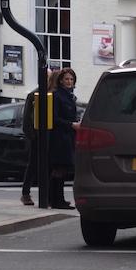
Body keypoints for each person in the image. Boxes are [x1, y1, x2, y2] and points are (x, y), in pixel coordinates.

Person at [47, 66, 80, 210]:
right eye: (66, 79)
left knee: (63, 170)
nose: (69, 81)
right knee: (58, 169)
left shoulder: (69, 96)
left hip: (68, 137)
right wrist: (71, 124)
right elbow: (54, 119)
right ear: (60, 80)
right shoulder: (57, 96)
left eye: (71, 79)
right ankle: (56, 200)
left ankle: (57, 199)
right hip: (59, 137)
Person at [20, 78, 44, 206]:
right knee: (33, 165)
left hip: (47, 136)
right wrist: (33, 136)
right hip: (36, 136)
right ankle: (25, 193)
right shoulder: (33, 95)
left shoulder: (51, 94)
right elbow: (26, 121)